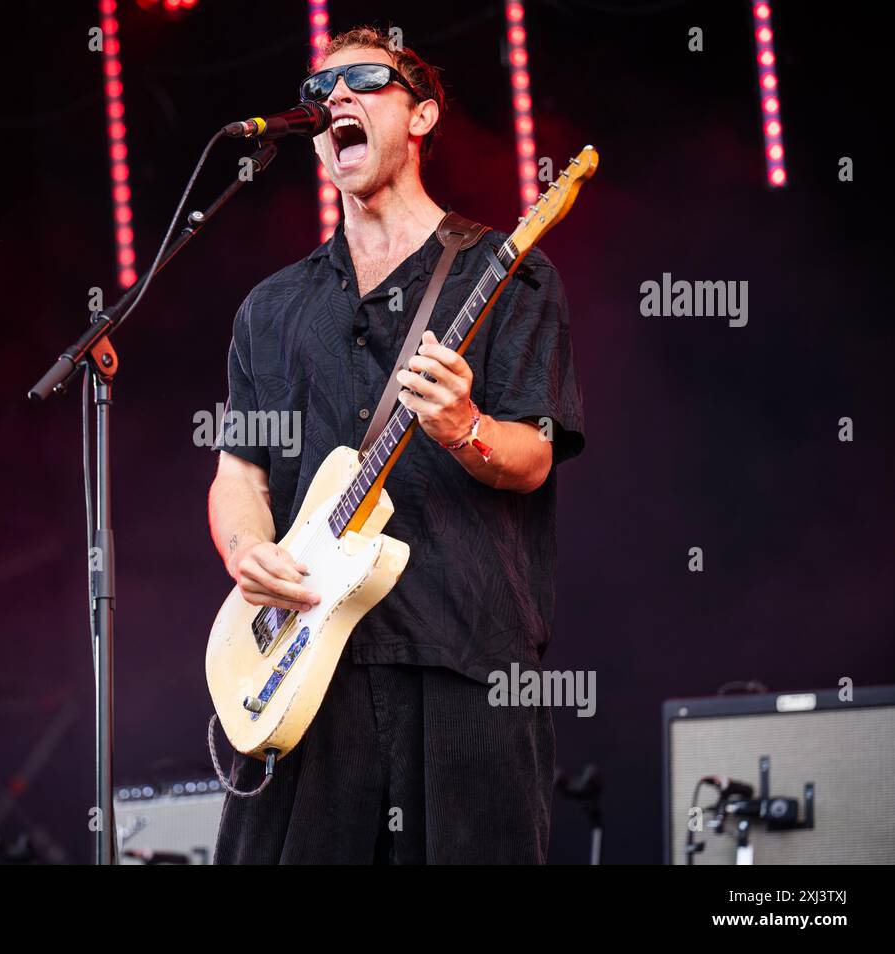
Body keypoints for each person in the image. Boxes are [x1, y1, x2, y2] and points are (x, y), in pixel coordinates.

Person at [207, 25, 586, 863]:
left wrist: (466, 430)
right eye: (318, 91)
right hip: (306, 673)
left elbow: (534, 457)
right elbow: (240, 472)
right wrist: (246, 549)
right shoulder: (271, 308)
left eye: (364, 83)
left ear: (421, 117)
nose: (333, 100)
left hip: (462, 660)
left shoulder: (509, 271)